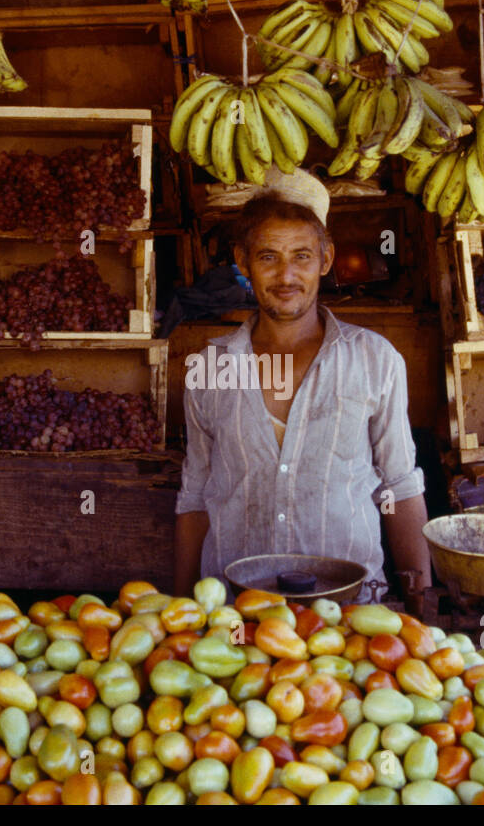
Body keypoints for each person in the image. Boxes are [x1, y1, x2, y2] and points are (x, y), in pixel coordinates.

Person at [173, 171, 431, 600]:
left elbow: (399, 488)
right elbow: (196, 498)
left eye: (302, 256)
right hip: (234, 614)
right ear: (243, 262)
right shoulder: (210, 369)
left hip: (350, 613)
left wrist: (419, 601)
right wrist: (180, 613)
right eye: (269, 256)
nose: (286, 276)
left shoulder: (374, 359)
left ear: (326, 260)